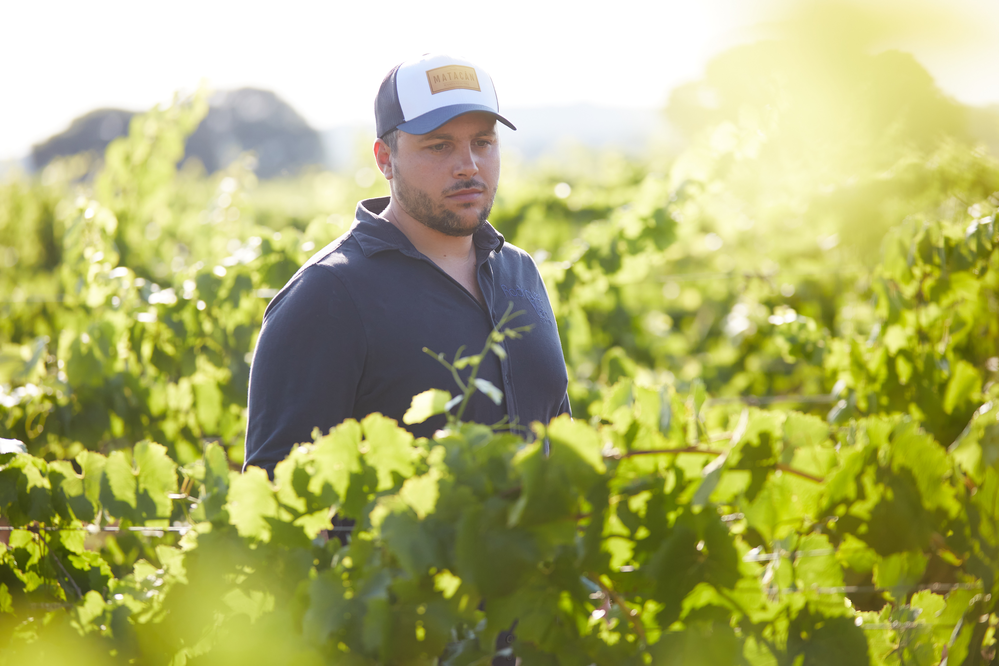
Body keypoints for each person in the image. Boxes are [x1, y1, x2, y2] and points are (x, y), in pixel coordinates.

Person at [243, 54, 570, 477]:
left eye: (483, 142)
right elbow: (276, 489)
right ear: (385, 159)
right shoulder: (328, 294)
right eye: (439, 145)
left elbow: (559, 440)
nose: (468, 165)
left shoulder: (520, 272)